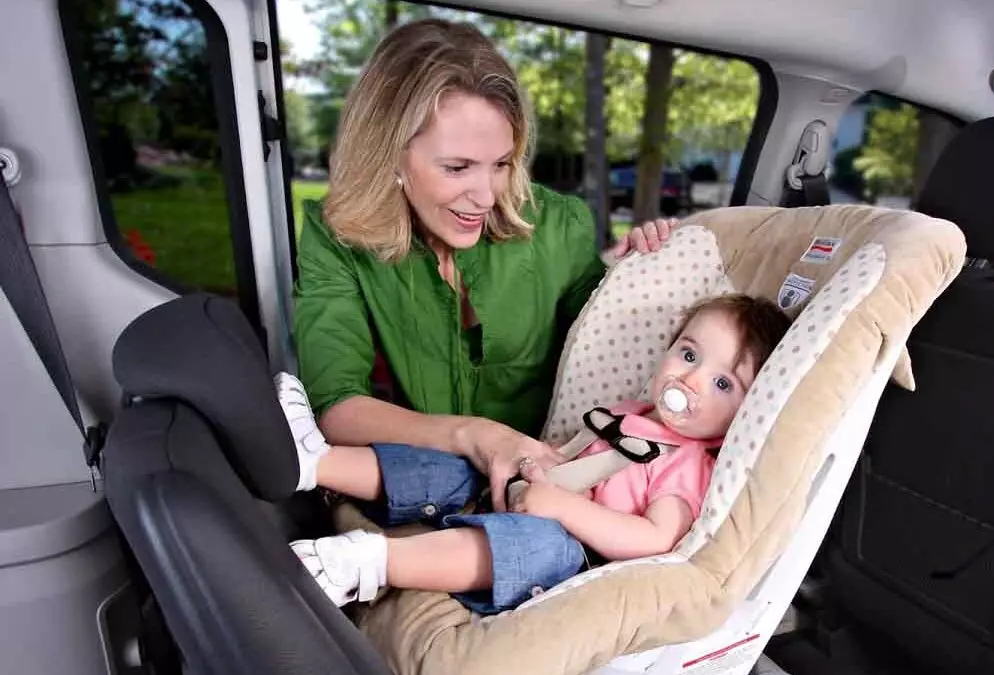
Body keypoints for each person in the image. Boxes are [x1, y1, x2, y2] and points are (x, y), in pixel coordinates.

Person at [292, 18, 680, 515]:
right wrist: (472, 436)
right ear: (388, 155)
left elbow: (622, 363)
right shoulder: (336, 236)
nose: (485, 196)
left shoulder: (560, 226)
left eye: (500, 163)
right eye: (457, 168)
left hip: (552, 483)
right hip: (434, 480)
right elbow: (336, 404)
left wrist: (641, 272)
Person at [280, 294, 793, 614]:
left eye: (723, 381)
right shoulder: (626, 412)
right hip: (533, 494)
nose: (691, 378)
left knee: (530, 544)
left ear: (742, 416)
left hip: (573, 552)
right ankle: (313, 462)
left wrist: (564, 509)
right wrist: (541, 464)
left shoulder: (686, 464)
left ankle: (367, 565)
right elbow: (572, 453)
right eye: (688, 353)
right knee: (455, 468)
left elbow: (655, 537)